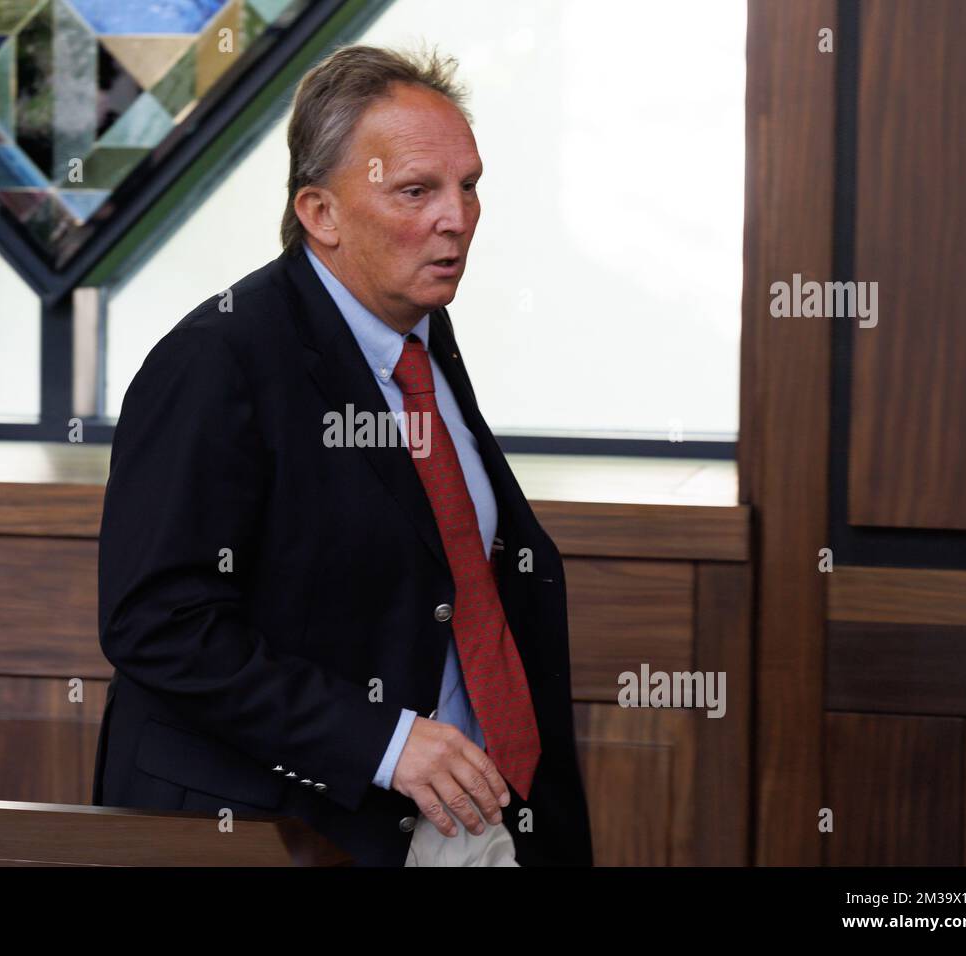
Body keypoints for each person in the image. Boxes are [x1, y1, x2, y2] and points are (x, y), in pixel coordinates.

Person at [92, 43, 592, 867]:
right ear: (320, 213)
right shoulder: (218, 359)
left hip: (463, 820)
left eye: (468, 186)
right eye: (416, 191)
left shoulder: (422, 334)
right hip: (282, 830)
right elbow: (158, 625)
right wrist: (387, 742)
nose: (457, 217)